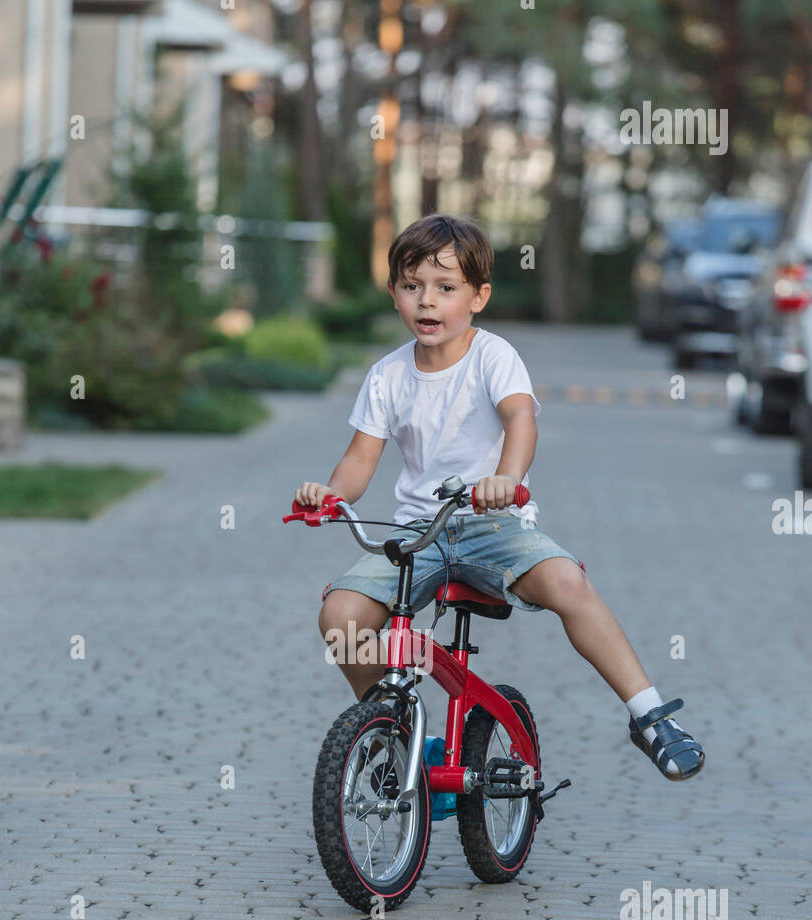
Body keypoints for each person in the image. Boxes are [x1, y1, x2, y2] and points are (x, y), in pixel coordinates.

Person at [296, 213, 704, 782]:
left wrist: (506, 480)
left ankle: (650, 714)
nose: (427, 302)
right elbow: (361, 458)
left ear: (478, 296)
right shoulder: (387, 375)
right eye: (412, 287)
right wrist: (331, 496)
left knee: (568, 582)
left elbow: (520, 421)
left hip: (495, 525)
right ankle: (393, 734)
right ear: (393, 294)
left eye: (446, 288)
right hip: (419, 532)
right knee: (340, 615)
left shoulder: (493, 357)